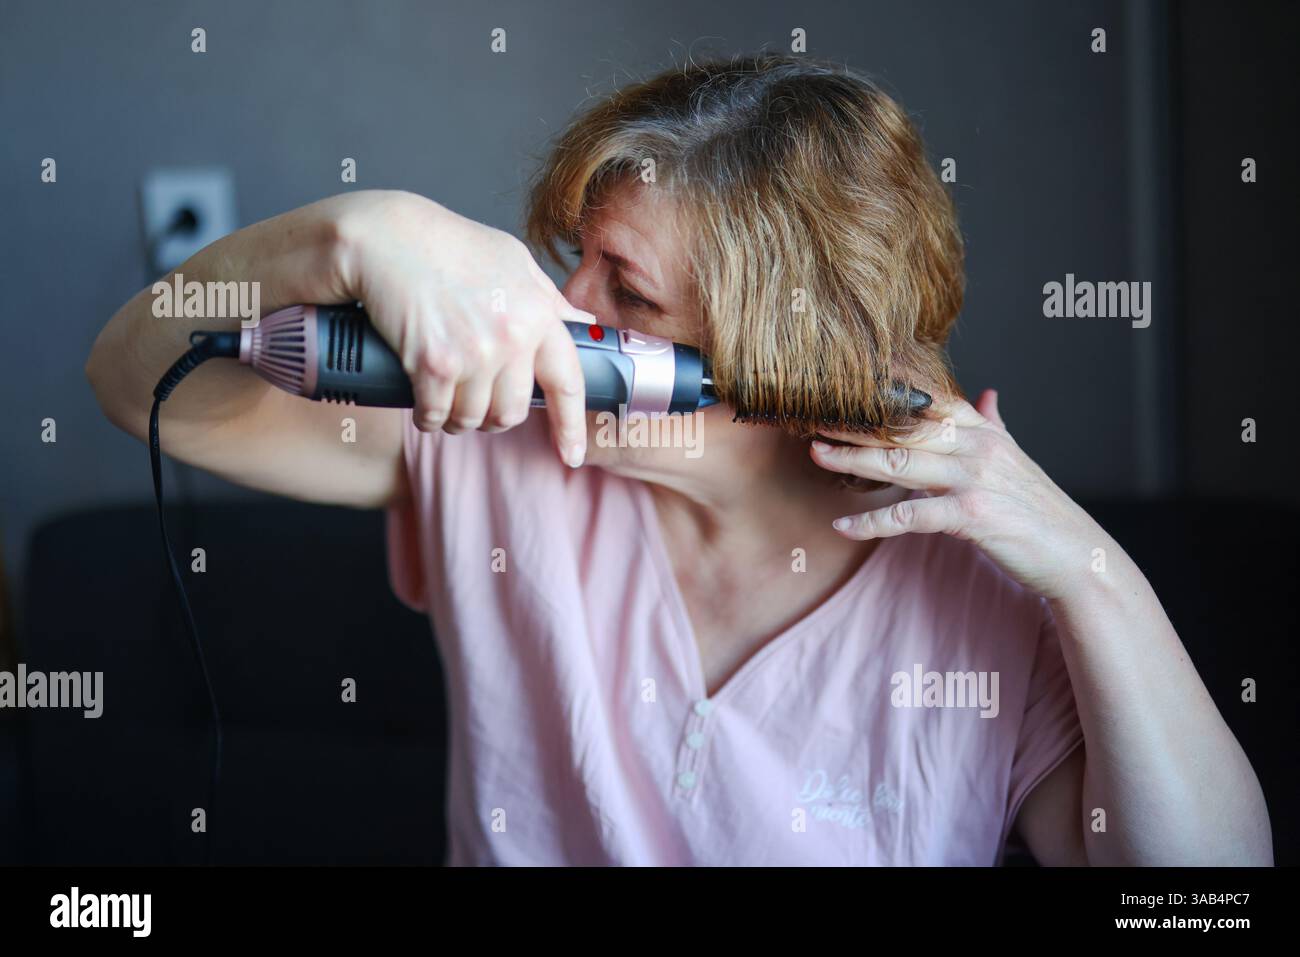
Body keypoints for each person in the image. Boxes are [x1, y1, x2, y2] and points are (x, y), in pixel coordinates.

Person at [87, 53, 1272, 865]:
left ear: (773, 364)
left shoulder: (983, 599)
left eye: (627, 295)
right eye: (574, 261)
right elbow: (136, 385)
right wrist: (358, 230)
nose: (559, 311)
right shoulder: (489, 443)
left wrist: (1096, 577)